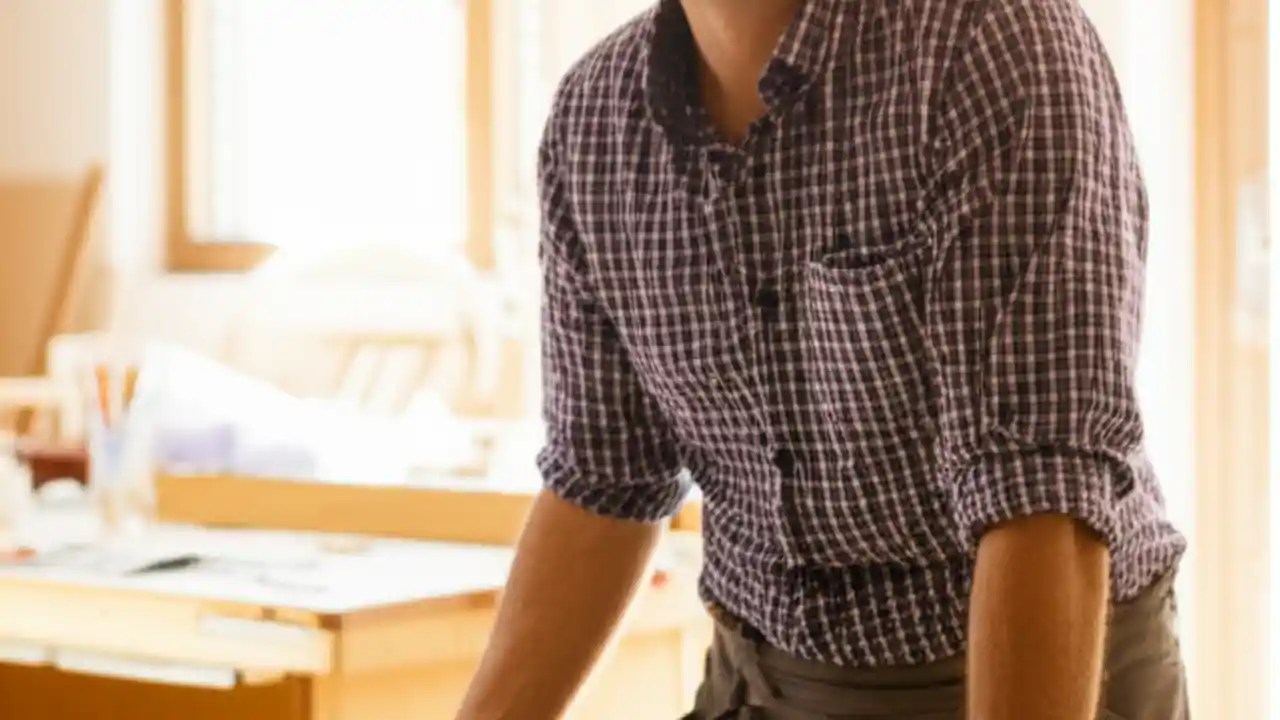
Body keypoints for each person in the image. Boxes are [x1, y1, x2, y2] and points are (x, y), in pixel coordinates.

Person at [457, 0, 1189, 717]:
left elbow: (1039, 496)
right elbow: (602, 480)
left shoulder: (989, 37)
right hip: (763, 679)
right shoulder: (593, 120)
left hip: (1034, 671)